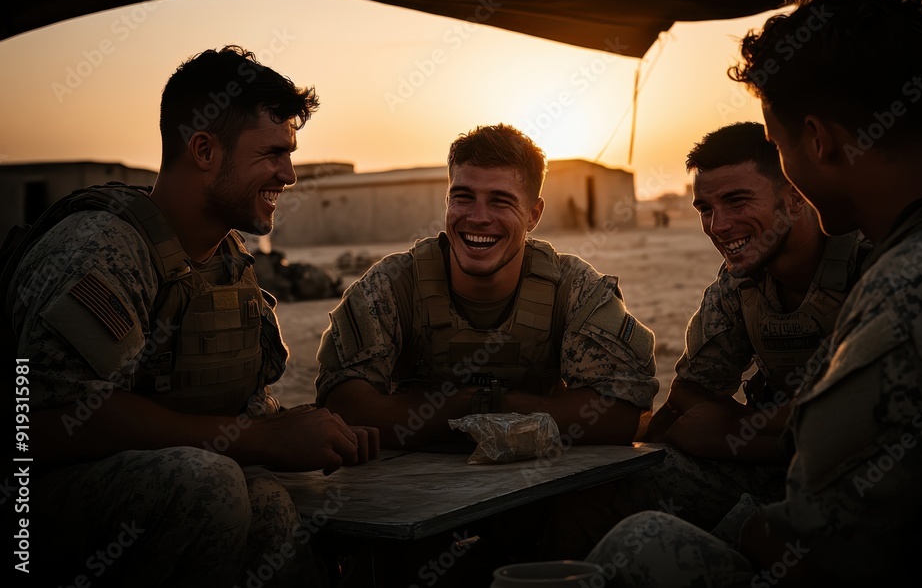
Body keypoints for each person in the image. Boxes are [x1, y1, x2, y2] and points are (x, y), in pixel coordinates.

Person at [586, 0, 922, 587]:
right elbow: (691, 408)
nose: (718, 224)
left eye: (777, 146)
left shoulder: (915, 281)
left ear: (817, 140)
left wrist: (740, 522)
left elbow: (823, 548)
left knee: (643, 543)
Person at [3, 45, 378, 587]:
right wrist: (261, 439)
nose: (290, 175)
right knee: (208, 486)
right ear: (204, 149)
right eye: (273, 154)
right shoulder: (101, 250)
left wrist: (309, 430)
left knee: (271, 505)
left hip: (136, 486)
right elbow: (42, 423)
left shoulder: (227, 259)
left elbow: (237, 403)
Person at [541, 122, 868, 558]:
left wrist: (736, 431)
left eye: (737, 201)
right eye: (705, 208)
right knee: (596, 498)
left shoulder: (869, 263)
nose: (719, 225)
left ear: (794, 197)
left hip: (869, 473)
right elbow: (690, 396)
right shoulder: (741, 283)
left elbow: (862, 415)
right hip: (776, 460)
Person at [316, 123, 658, 448]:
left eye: (500, 201)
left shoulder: (572, 287)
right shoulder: (394, 285)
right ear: (447, 202)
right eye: (463, 197)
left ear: (533, 215)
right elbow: (341, 406)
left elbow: (619, 413)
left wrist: (478, 406)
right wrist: (480, 410)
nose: (478, 217)